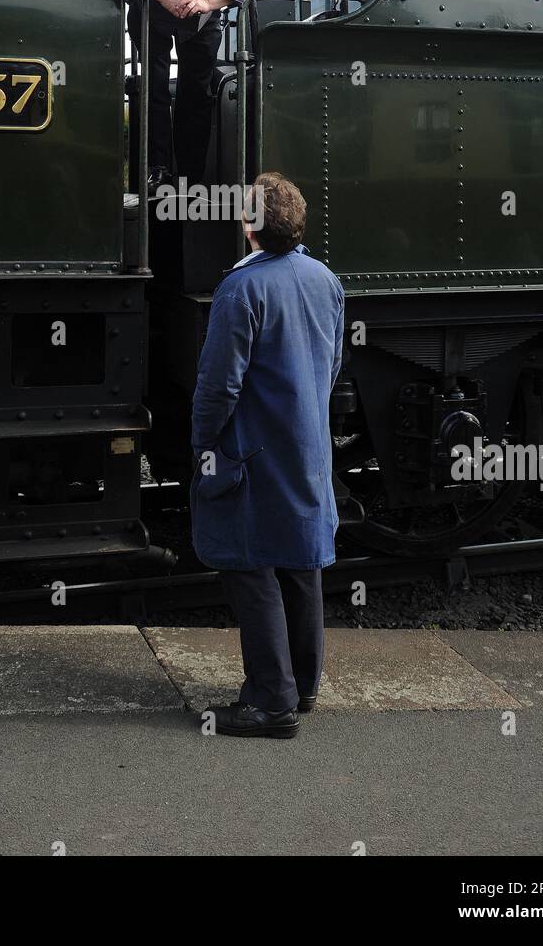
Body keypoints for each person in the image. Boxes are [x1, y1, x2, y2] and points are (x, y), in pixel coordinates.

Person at [190, 173, 345, 738]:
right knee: (301, 560)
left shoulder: (241, 289)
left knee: (251, 564)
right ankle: (301, 687)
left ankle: (271, 703)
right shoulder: (325, 279)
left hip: (253, 448)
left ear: (248, 225)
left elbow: (219, 386)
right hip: (305, 443)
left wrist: (203, 442)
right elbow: (330, 370)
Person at [94, 0, 268, 190]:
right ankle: (158, 168)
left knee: (197, 94)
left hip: (201, 21)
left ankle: (190, 177)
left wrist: (207, 2)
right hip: (151, 20)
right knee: (153, 90)